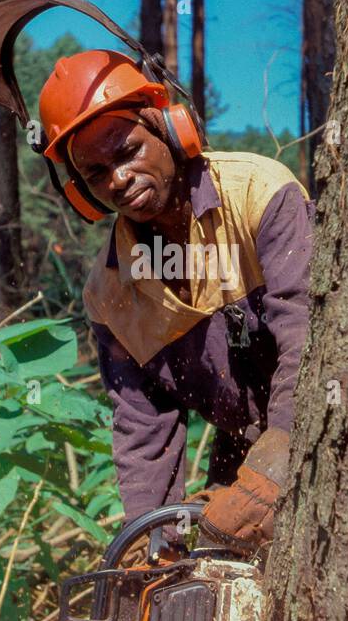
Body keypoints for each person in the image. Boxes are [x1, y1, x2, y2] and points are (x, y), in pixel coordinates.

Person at [38, 46, 315, 556]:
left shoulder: (259, 194)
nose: (117, 180)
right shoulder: (110, 295)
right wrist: (152, 542)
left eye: (126, 152)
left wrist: (280, 460)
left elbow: (309, 338)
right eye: (96, 173)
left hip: (314, 433)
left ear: (169, 126)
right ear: (81, 191)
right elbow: (143, 430)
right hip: (241, 450)